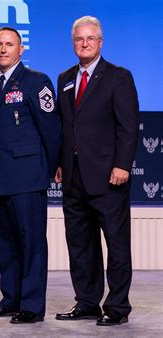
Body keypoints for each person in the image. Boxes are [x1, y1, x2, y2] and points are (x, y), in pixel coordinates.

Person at [55, 16, 139, 326]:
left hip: (108, 177)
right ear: (73, 43)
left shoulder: (118, 77)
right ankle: (87, 302)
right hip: (74, 177)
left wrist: (122, 165)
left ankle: (117, 307)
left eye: (90, 38)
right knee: (80, 246)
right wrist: (60, 164)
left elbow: (128, 126)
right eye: (79, 39)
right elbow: (64, 126)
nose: (85, 43)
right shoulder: (64, 78)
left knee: (117, 246)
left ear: (100, 42)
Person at [0, 27, 62, 324]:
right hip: (0, 176)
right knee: (7, 242)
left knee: (32, 242)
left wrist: (52, 168)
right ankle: (11, 297)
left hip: (27, 175)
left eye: (9, 44)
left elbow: (50, 129)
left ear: (21, 49)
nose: (3, 49)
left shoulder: (35, 81)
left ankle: (31, 305)